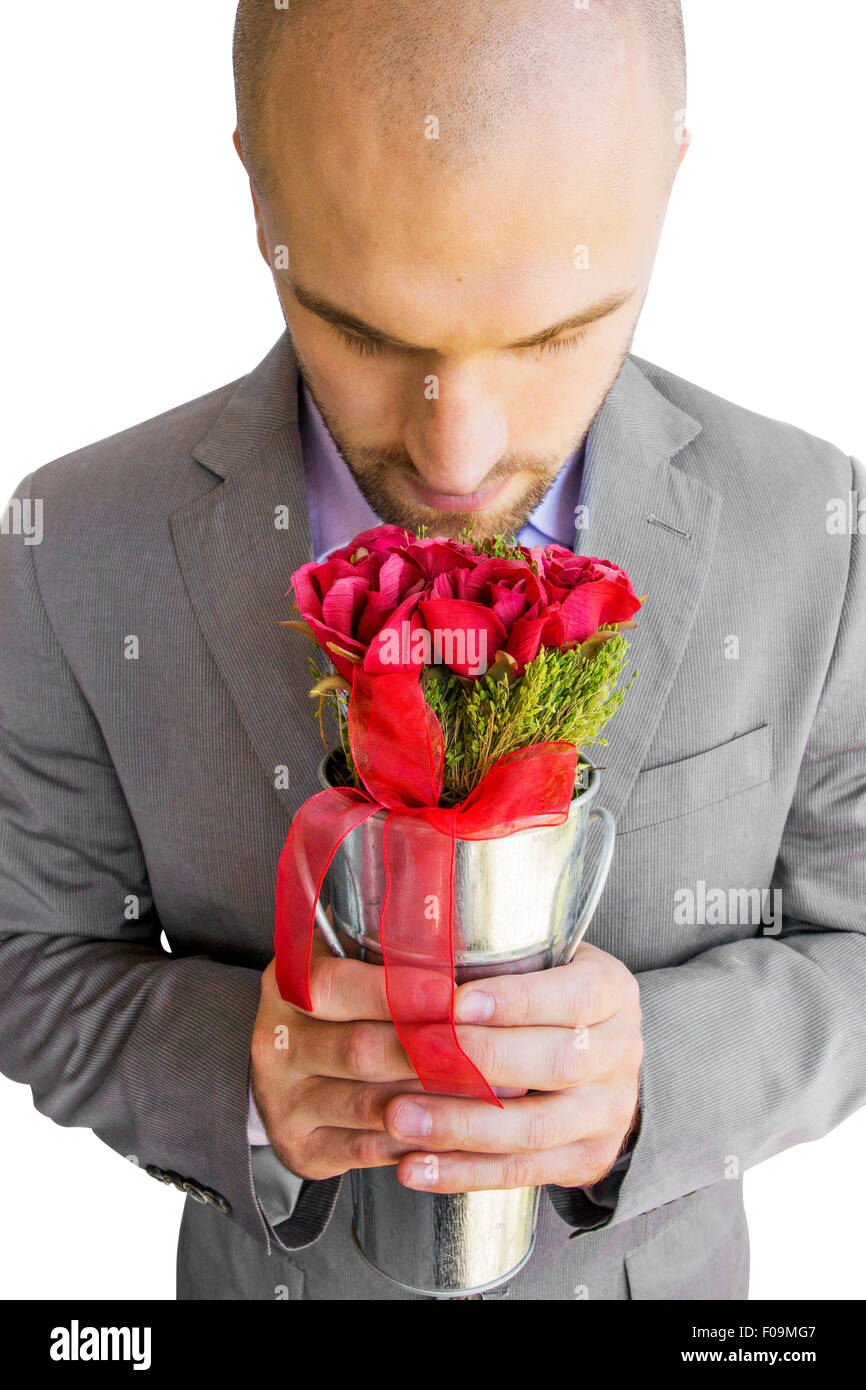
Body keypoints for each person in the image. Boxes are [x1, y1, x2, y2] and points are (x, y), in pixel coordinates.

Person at [0, 0, 863, 1301]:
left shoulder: (813, 528)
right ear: (254, 189)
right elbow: (27, 950)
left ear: (670, 181)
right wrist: (239, 1073)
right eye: (361, 331)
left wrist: (661, 1073)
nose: (454, 457)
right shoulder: (72, 550)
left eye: (554, 334)